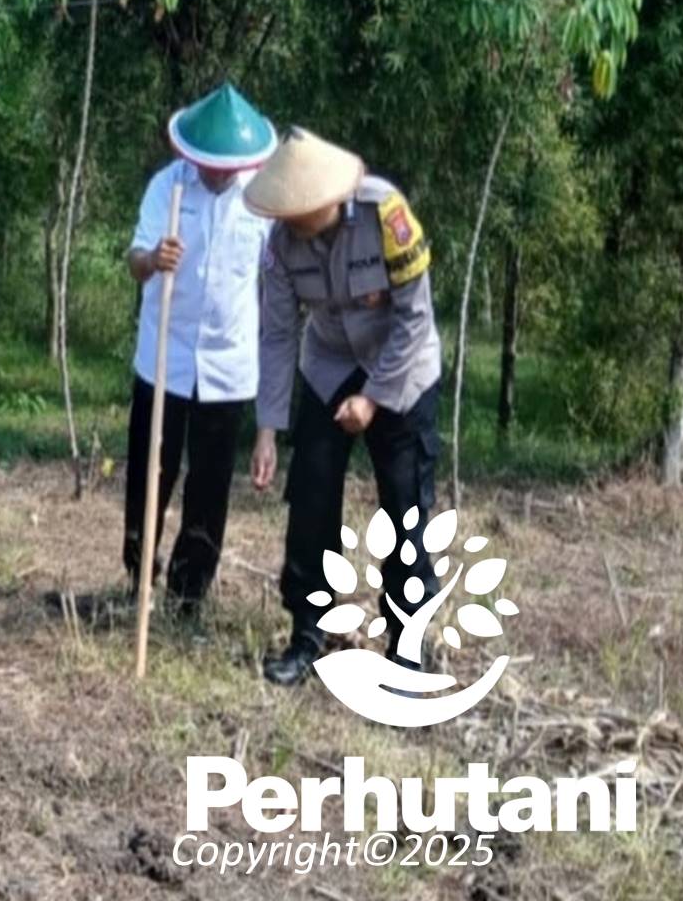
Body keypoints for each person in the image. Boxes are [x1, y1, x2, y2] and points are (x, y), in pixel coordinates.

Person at [245, 128, 443, 687]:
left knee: (404, 506)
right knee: (310, 493)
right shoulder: (281, 245)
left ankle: (405, 646)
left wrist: (375, 398)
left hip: (402, 371)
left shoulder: (387, 215)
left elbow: (415, 319)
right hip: (330, 364)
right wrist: (267, 429)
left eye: (300, 211)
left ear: (328, 199)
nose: (291, 221)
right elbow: (279, 336)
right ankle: (307, 634)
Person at [120, 84, 276, 618]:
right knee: (150, 470)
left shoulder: (261, 200)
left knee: (210, 485)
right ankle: (139, 574)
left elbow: (272, 285)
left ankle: (189, 594)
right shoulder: (168, 186)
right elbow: (135, 257)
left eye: (226, 167)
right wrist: (152, 261)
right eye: (210, 166)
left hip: (228, 364)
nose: (218, 175)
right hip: (164, 355)